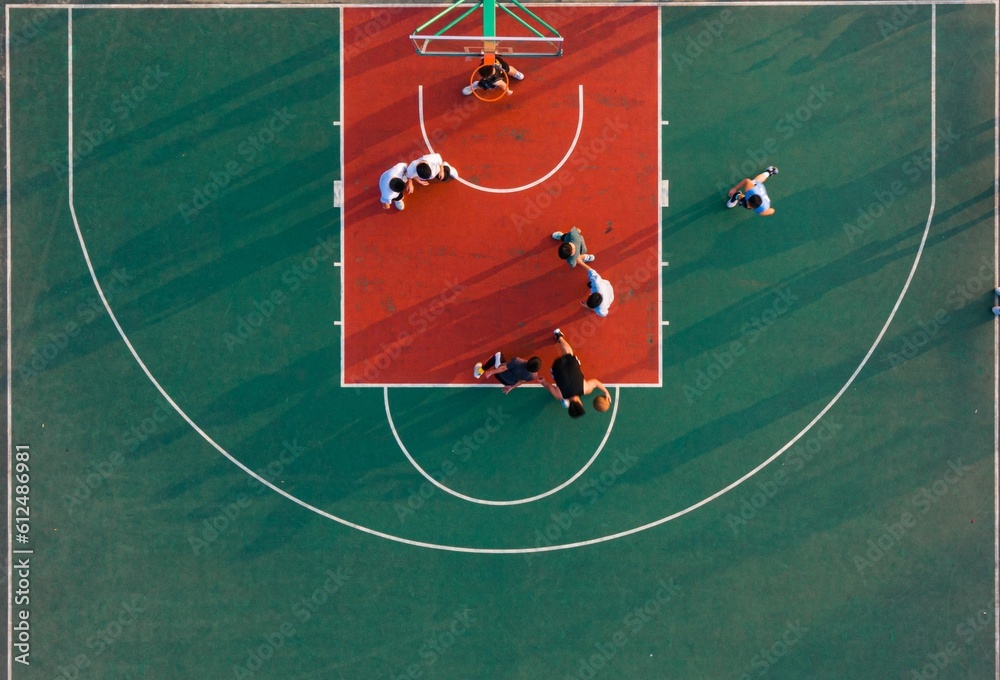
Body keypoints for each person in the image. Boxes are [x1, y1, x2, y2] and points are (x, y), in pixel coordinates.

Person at [539, 328, 611, 418]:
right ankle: (565, 400)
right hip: (557, 366)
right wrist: (542, 381)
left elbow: (596, 382)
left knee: (569, 352)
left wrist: (606, 392)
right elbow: (548, 386)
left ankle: (559, 336)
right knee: (560, 387)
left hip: (569, 362)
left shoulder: (586, 389)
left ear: (581, 404)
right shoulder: (558, 395)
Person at [473, 352, 542, 394]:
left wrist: (491, 372)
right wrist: (511, 387)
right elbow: (521, 381)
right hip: (507, 382)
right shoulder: (533, 376)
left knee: (498, 354)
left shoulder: (518, 361)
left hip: (499, 374)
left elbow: (503, 368)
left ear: (528, 361)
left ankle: (480, 371)